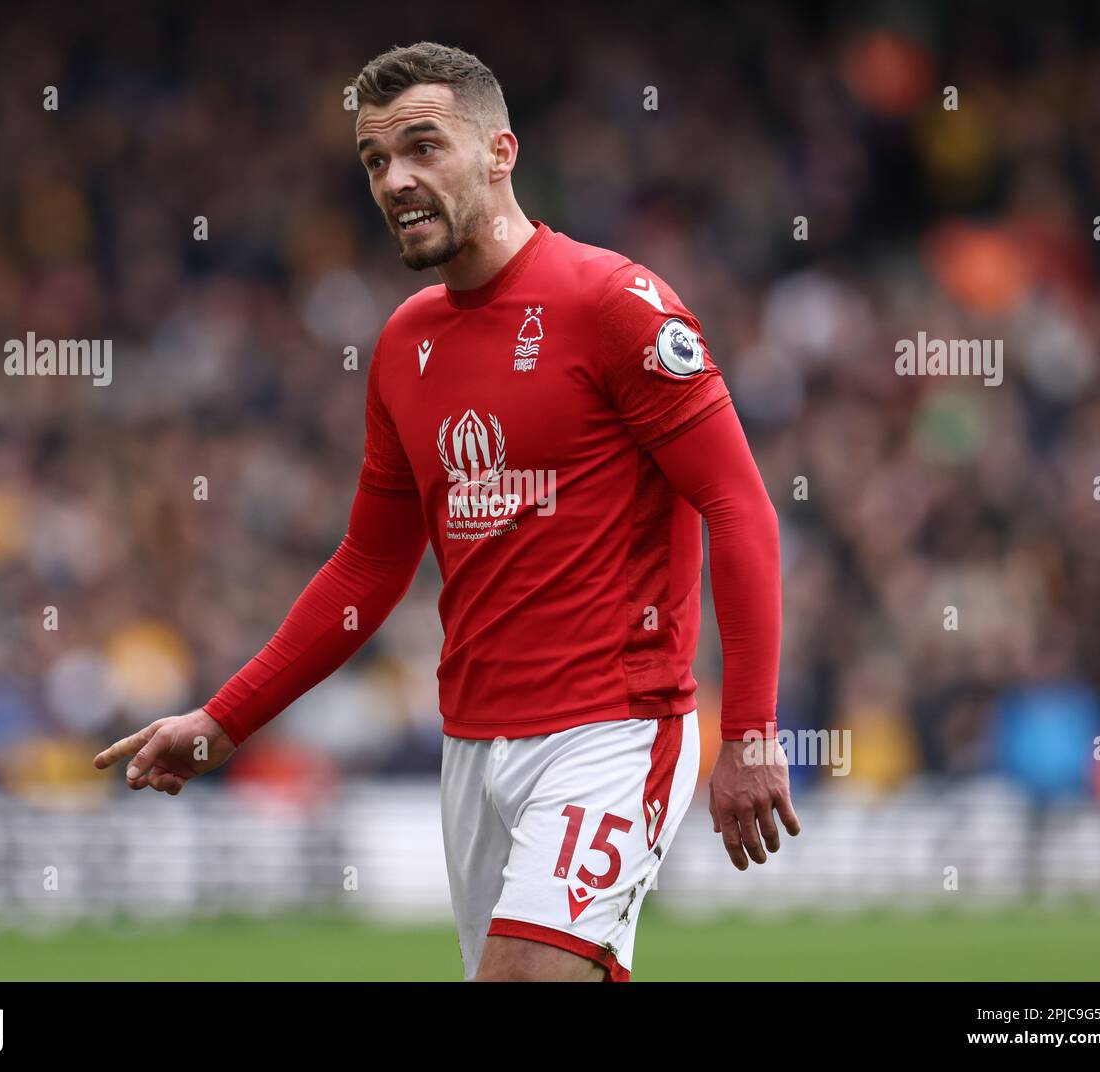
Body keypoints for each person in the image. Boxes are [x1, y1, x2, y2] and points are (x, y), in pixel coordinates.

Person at [95, 41, 799, 982]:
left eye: (423, 146)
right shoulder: (402, 343)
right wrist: (226, 720)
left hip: (612, 730)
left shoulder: (617, 304)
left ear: (500, 152)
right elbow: (368, 569)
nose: (395, 179)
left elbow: (739, 506)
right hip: (470, 748)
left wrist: (749, 731)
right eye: (376, 161)